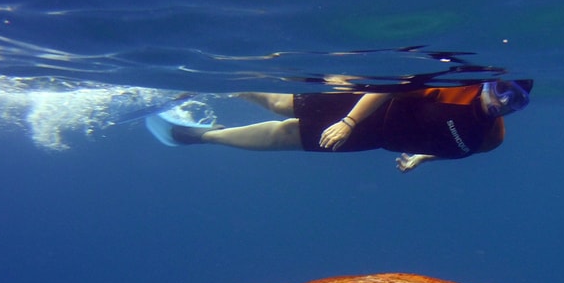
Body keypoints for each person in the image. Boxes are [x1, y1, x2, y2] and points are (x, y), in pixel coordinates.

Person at [165, 80, 531, 173]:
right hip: (361, 108)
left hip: (375, 138)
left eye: (516, 101)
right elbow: (388, 88)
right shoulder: (457, 87)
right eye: (503, 91)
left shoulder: (491, 137)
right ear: (490, 83)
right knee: (280, 104)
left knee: (287, 137)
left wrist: (421, 158)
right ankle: (218, 85)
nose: (504, 103)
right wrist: (349, 121)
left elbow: (455, 149)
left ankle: (200, 136)